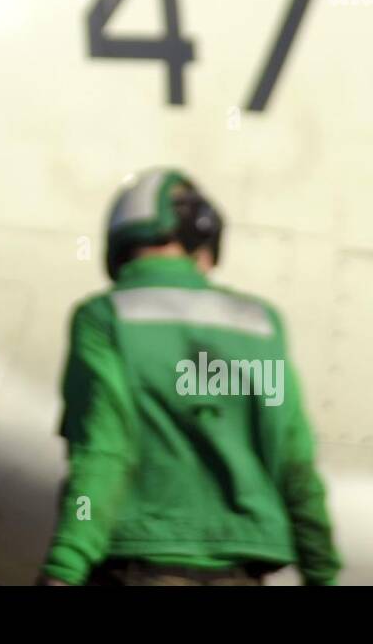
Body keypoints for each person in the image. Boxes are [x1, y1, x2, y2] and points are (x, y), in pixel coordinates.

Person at [40, 169, 339, 586]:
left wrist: (64, 566)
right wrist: (323, 572)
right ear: (202, 240)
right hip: (240, 574)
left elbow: (103, 454)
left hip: (140, 567)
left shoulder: (106, 319)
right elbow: (295, 462)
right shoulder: (260, 325)